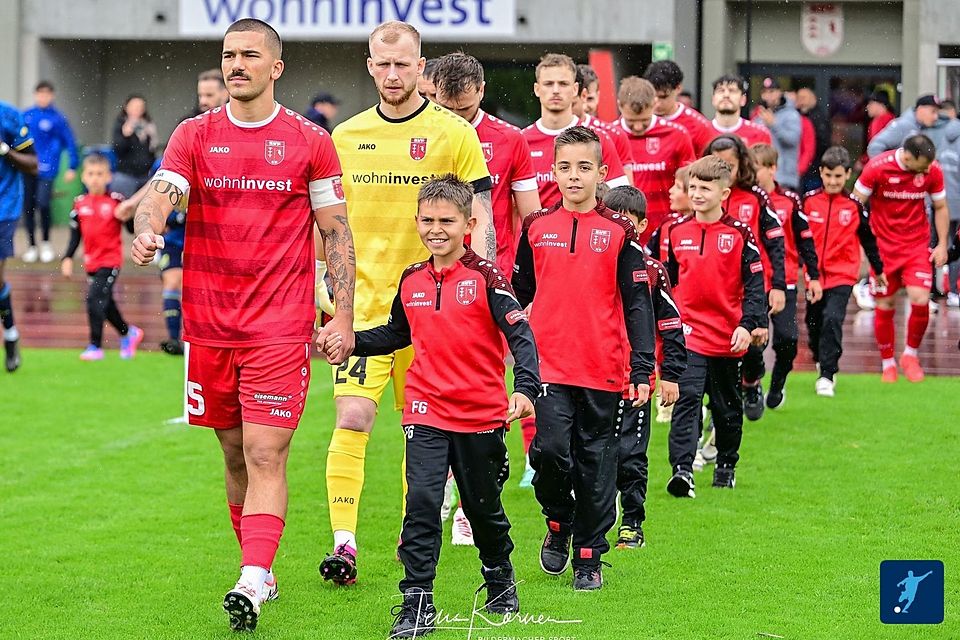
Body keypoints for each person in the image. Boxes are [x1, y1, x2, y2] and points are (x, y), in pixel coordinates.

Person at [129, 18, 355, 632]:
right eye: (228, 55)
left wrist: (346, 316)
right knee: (233, 453)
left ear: (275, 67)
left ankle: (252, 579)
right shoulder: (194, 134)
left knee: (264, 451)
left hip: (280, 327)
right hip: (209, 326)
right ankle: (262, 568)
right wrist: (147, 226)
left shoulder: (310, 141)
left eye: (249, 55)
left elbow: (335, 231)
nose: (235, 65)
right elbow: (161, 193)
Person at [323, 175, 538, 638]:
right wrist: (351, 340)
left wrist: (525, 388)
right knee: (421, 501)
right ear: (416, 222)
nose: (436, 228)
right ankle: (417, 601)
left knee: (483, 508)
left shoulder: (486, 277)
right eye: (427, 220)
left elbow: (521, 334)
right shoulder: (412, 279)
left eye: (447, 220)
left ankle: (499, 575)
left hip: (481, 413)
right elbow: (397, 334)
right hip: (425, 409)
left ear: (468, 223)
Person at [320, 20, 494, 587]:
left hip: (435, 313)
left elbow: (481, 219)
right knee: (353, 416)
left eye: (404, 64)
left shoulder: (454, 135)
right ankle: (344, 545)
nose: (393, 74)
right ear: (369, 66)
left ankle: (406, 531)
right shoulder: (344, 137)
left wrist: (485, 292)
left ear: (422, 66)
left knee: (420, 429)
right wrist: (325, 292)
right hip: (363, 309)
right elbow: (328, 225)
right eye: (382, 63)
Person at [513, 126, 656, 591]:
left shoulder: (619, 232)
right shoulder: (536, 228)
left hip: (604, 369)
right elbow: (517, 297)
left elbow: (637, 303)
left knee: (597, 465)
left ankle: (589, 556)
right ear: (553, 170)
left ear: (601, 172)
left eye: (584, 168)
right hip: (548, 369)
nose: (573, 177)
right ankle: (558, 522)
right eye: (565, 167)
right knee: (549, 454)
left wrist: (642, 367)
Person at [432, 51, 542, 501]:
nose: (455, 119)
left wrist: (533, 285)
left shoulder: (510, 140)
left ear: (480, 91)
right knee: (435, 378)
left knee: (485, 380)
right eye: (447, 108)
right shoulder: (422, 132)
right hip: (429, 280)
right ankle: (436, 480)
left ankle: (474, 489)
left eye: (464, 110)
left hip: (490, 282)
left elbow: (531, 216)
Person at [663, 155, 766, 496]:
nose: (697, 193)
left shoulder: (739, 234)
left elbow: (754, 286)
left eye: (705, 188)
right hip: (689, 335)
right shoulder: (676, 231)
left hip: (727, 338)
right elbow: (666, 284)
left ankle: (726, 464)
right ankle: (682, 470)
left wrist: (748, 325)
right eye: (692, 187)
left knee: (726, 407)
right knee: (687, 399)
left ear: (724, 194)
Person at [118, 71, 230, 356]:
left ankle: (212, 339)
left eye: (209, 95)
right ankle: (174, 340)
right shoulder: (190, 128)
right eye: (200, 95)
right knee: (172, 280)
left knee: (212, 293)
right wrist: (137, 205)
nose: (203, 101)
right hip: (181, 230)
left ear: (226, 93)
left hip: (219, 231)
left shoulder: (238, 131)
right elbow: (164, 176)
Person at [602, 185, 685, 551]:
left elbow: (670, 323)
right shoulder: (589, 263)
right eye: (614, 220)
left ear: (643, 226)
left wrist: (669, 374)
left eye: (628, 223)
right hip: (592, 378)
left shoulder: (652, 271)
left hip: (636, 383)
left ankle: (632, 523)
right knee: (593, 454)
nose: (621, 229)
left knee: (631, 456)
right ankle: (591, 521)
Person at [703, 135, 786, 421]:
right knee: (715, 349)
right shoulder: (701, 194)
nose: (725, 170)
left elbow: (775, 242)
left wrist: (778, 285)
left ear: (742, 164)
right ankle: (714, 404)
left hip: (751, 286)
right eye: (718, 163)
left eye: (731, 164)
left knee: (753, 345)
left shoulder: (756, 196)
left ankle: (751, 382)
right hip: (712, 288)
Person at [854, 134, 949, 383]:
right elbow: (855, 205)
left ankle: (910, 355)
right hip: (883, 249)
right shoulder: (876, 168)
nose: (928, 169)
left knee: (920, 299)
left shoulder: (932, 171)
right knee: (885, 305)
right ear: (908, 156)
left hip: (916, 245)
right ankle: (887, 364)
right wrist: (860, 246)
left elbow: (940, 207)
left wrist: (940, 244)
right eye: (924, 165)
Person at [802, 146, 885, 396]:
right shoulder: (808, 202)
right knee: (813, 322)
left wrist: (878, 269)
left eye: (838, 176)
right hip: (814, 276)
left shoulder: (854, 206)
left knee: (832, 319)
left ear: (847, 174)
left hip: (843, 274)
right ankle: (820, 356)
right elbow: (799, 239)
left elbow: (868, 239)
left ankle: (828, 373)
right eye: (828, 176)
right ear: (821, 173)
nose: (833, 181)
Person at [749, 143, 822, 408]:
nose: (753, 174)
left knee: (788, 340)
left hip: (785, 280)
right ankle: (752, 385)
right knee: (753, 341)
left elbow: (805, 240)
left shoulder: (789, 201)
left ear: (772, 169)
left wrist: (813, 275)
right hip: (753, 282)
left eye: (757, 169)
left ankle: (777, 384)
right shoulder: (746, 201)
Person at [60, 154, 142, 360]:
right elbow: (75, 236)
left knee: (94, 299)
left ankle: (95, 346)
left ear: (108, 177)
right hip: (91, 262)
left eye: (99, 174)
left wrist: (130, 213)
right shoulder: (79, 204)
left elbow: (131, 229)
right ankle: (127, 332)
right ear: (83, 177)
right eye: (90, 174)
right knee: (105, 303)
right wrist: (67, 258)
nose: (95, 178)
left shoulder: (115, 201)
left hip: (110, 261)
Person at [522, 53, 628, 209]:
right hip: (536, 233)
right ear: (537, 89)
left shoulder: (598, 139)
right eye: (549, 84)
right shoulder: (521, 140)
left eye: (563, 84)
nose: (556, 90)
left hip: (586, 231)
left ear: (575, 89)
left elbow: (621, 198)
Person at [615, 76, 696, 242]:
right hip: (623, 234)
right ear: (619, 106)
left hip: (667, 232)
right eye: (631, 121)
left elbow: (690, 184)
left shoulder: (677, 135)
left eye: (644, 120)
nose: (638, 127)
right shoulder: (610, 136)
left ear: (654, 104)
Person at [21, 80, 79, 263]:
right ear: (35, 95)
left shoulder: (58, 118)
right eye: (40, 94)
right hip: (26, 169)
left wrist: (72, 166)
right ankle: (31, 246)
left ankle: (46, 242)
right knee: (27, 207)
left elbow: (70, 142)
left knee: (43, 204)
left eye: (46, 94)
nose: (43, 97)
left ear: (51, 96)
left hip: (47, 170)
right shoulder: (26, 116)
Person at [0, 101, 37, 373]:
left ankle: (10, 334)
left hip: (3, 206)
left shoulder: (9, 115)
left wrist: (5, 151)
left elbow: (33, 164)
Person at [575, 64, 634, 185]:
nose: (584, 105)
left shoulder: (614, 135)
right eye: (580, 98)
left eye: (589, 99)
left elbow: (626, 194)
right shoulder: (554, 133)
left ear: (598, 95)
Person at [644, 60, 714, 153]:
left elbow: (709, 164)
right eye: (652, 96)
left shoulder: (699, 126)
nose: (657, 103)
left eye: (663, 97)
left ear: (678, 88)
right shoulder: (636, 120)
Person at [753, 77, 802, 191]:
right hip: (763, 178)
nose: (768, 95)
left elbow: (792, 140)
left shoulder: (791, 114)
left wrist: (773, 125)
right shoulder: (759, 117)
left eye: (772, 91)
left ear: (780, 93)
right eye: (765, 92)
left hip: (784, 178)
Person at [708, 75, 772, 148]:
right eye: (721, 90)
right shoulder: (700, 132)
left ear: (743, 100)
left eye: (732, 91)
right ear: (713, 99)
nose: (726, 95)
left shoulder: (760, 134)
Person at [795, 87, 831, 191]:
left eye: (803, 98)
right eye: (798, 98)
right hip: (802, 167)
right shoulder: (796, 116)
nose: (800, 101)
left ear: (813, 99)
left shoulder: (819, 117)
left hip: (814, 167)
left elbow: (823, 143)